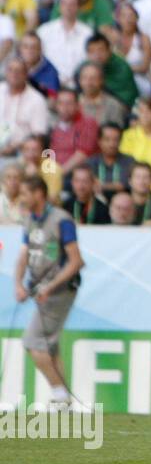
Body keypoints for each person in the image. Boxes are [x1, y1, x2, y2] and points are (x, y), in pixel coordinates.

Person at [13, 175, 83, 409]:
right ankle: (61, 399)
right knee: (49, 345)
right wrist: (18, 284)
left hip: (60, 289)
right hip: (42, 289)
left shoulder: (61, 220)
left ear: (38, 193)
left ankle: (60, 395)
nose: (21, 198)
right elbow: (24, 254)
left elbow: (75, 261)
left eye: (24, 193)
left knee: (33, 342)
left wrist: (48, 287)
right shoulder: (30, 220)